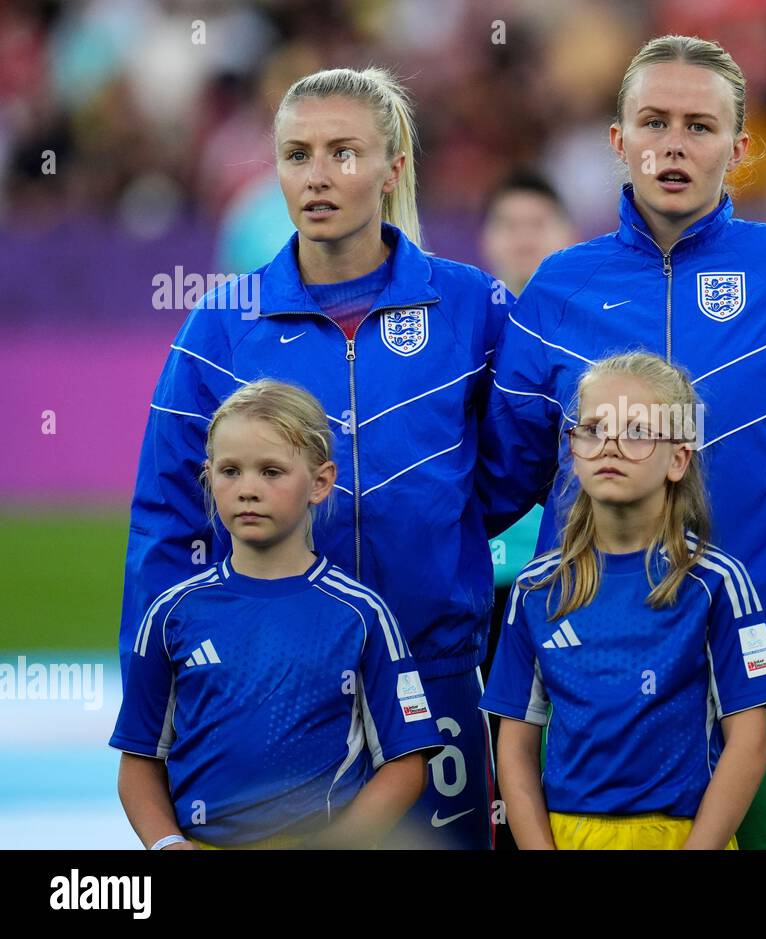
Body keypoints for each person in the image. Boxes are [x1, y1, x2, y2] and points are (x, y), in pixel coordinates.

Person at [480, 34, 766, 851]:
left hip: (765, 660)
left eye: (700, 126)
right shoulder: (559, 289)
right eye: (654, 122)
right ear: (618, 139)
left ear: (740, 148)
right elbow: (501, 475)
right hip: (591, 675)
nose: (673, 144)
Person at [119, 67, 507, 849]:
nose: (317, 175)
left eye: (344, 152)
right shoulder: (220, 325)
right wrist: (157, 689)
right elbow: (167, 517)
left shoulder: (472, 306)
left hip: (434, 673)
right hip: (269, 686)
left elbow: (516, 467)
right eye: (297, 155)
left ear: (393, 167)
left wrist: (440, 535)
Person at [482, 352, 766, 849]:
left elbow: (749, 744)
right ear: (573, 449)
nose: (611, 445)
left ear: (678, 459)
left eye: (637, 431)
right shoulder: (537, 588)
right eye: (594, 429)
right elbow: (515, 748)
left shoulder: (716, 584)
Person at [112, 381, 438, 849]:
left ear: (320, 483)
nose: (248, 490)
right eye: (230, 471)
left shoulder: (362, 615)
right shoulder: (171, 615)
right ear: (208, 478)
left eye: (271, 472)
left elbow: (406, 764)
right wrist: (166, 843)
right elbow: (140, 759)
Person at [478, 169, 578, 849]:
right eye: (508, 225)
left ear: (568, 235)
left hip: (566, 582)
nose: (522, 238)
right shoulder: (463, 339)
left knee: (558, 754)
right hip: (482, 590)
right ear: (486, 240)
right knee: (491, 760)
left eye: (537, 224)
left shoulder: (588, 332)